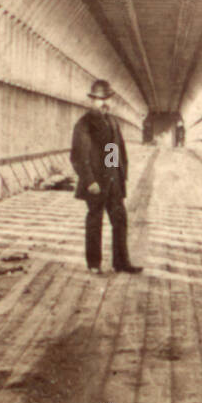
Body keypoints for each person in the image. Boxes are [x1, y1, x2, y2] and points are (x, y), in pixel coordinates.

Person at [70, 79, 143, 274]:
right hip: (96, 183)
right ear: (92, 100)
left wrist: (119, 175)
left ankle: (121, 262)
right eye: (100, 99)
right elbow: (79, 156)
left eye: (107, 99)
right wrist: (90, 181)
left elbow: (114, 150)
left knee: (119, 220)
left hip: (112, 181)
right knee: (95, 220)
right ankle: (94, 264)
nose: (104, 103)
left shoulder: (112, 121)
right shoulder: (84, 124)